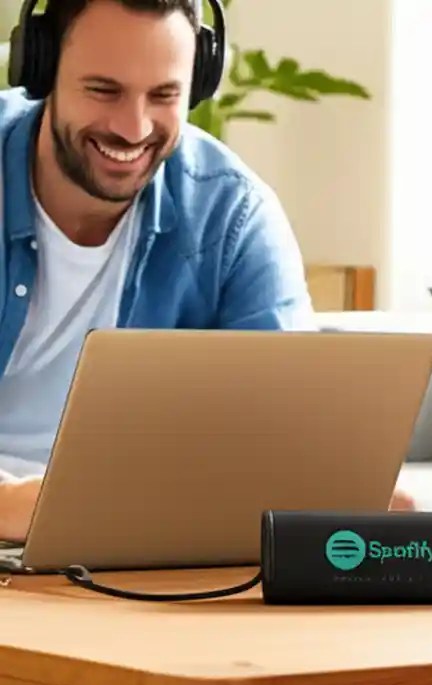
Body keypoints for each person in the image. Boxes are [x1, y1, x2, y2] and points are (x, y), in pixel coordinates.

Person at [0, 0, 408, 542]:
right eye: (104, 90)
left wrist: (339, 491)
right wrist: (14, 506)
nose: (133, 127)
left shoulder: (232, 216)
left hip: (127, 538)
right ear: (40, 68)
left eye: (164, 96)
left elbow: (290, 436)